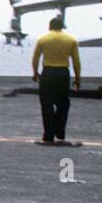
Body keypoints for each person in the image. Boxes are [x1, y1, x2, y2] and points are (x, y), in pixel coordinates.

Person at [31, 16, 82, 144]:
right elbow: (76, 62)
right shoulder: (71, 40)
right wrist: (77, 78)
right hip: (63, 72)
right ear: (62, 27)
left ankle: (48, 134)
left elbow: (35, 58)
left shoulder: (43, 39)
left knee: (46, 104)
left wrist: (35, 73)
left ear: (50, 26)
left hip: (48, 72)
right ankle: (60, 132)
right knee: (63, 104)